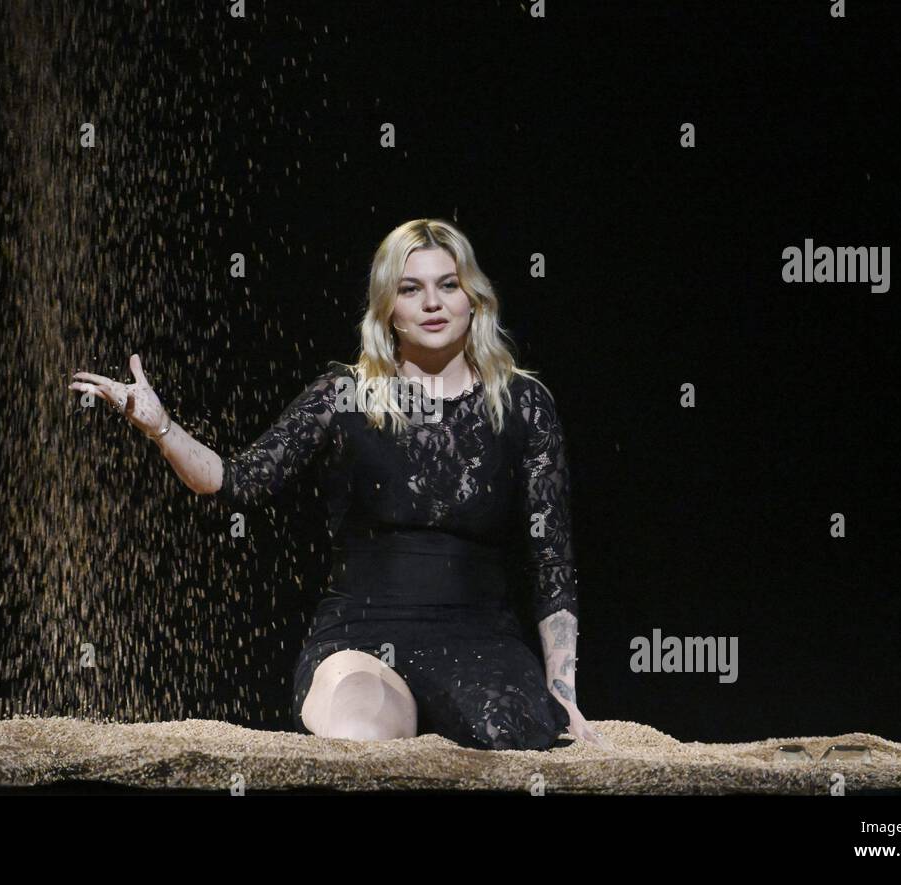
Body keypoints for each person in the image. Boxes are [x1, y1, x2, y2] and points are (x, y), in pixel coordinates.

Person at [70, 218, 604, 750]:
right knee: (360, 732)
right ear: (388, 309)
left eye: (448, 284)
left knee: (505, 735)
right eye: (410, 288)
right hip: (364, 635)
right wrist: (162, 428)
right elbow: (238, 482)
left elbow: (551, 559)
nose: (433, 303)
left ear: (474, 298)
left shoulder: (524, 405)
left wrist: (565, 692)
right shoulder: (343, 395)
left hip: (481, 640)